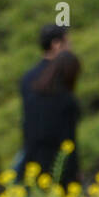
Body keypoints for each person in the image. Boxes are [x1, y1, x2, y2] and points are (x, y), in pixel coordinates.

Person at [18, 24, 71, 181]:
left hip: (32, 155)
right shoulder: (63, 78)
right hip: (59, 157)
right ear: (56, 45)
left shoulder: (27, 78)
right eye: (68, 43)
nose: (71, 49)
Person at [22, 50, 81, 187]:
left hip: (34, 159)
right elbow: (69, 138)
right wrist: (74, 171)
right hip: (59, 163)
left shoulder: (34, 94)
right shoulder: (67, 100)